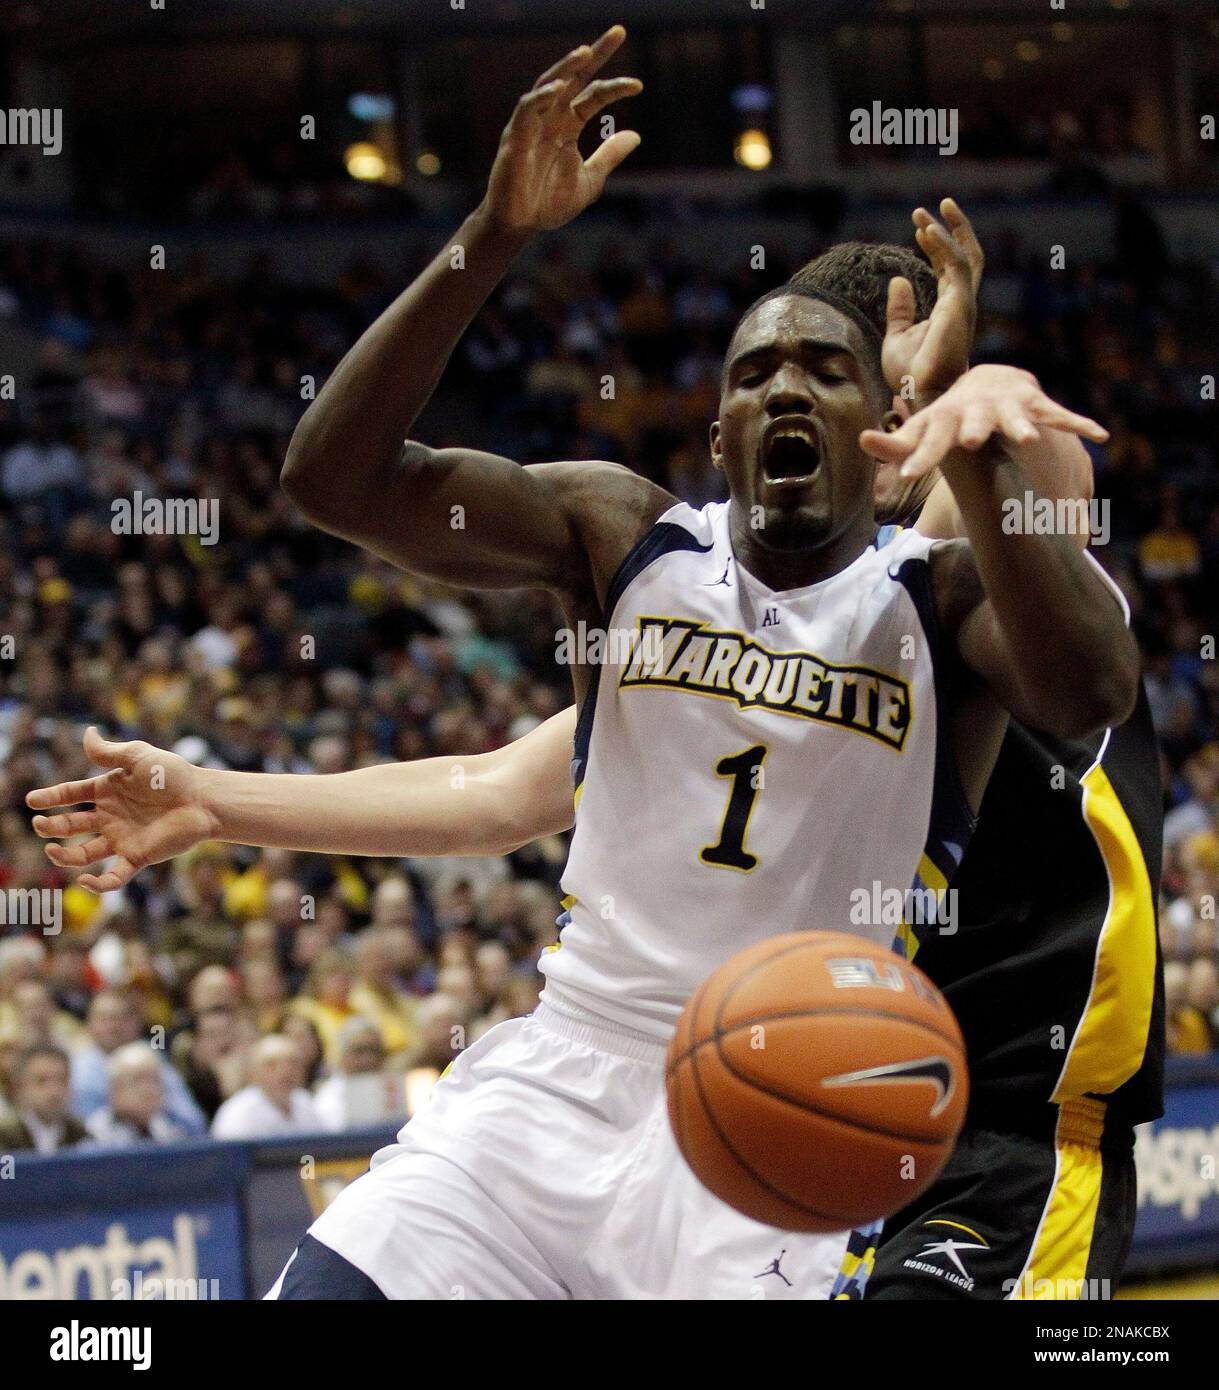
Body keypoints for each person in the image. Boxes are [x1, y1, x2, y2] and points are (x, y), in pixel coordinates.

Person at [29, 32, 1137, 1301]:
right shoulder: (624, 539)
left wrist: (980, 437)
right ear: (715, 428)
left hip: (783, 1122)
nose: (784, 387)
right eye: (752, 371)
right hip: (558, 1077)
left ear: (886, 429)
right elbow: (335, 485)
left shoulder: (935, 604)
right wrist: (487, 238)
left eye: (826, 371)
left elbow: (1089, 686)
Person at [70, 988, 208, 1137]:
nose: (114, 1027)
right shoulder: (78, 1068)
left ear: (136, 1022)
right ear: (89, 1023)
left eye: (121, 1018)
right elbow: (79, 1129)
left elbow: (194, 1122)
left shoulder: (153, 1058)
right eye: (105, 1019)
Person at [211, 1034, 322, 1140]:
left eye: (293, 1063)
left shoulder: (304, 1101)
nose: (285, 1071)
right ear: (252, 1073)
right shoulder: (238, 1114)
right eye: (271, 1065)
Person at [85, 1043, 187, 1147]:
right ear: (114, 1089)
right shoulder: (93, 1135)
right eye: (138, 1081)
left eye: (155, 1080)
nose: (149, 1090)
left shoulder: (168, 1131)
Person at [0, 1044, 89, 1154]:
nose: (54, 1090)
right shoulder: (5, 1136)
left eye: (62, 1080)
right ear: (21, 1087)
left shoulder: (81, 1134)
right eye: (41, 1081)